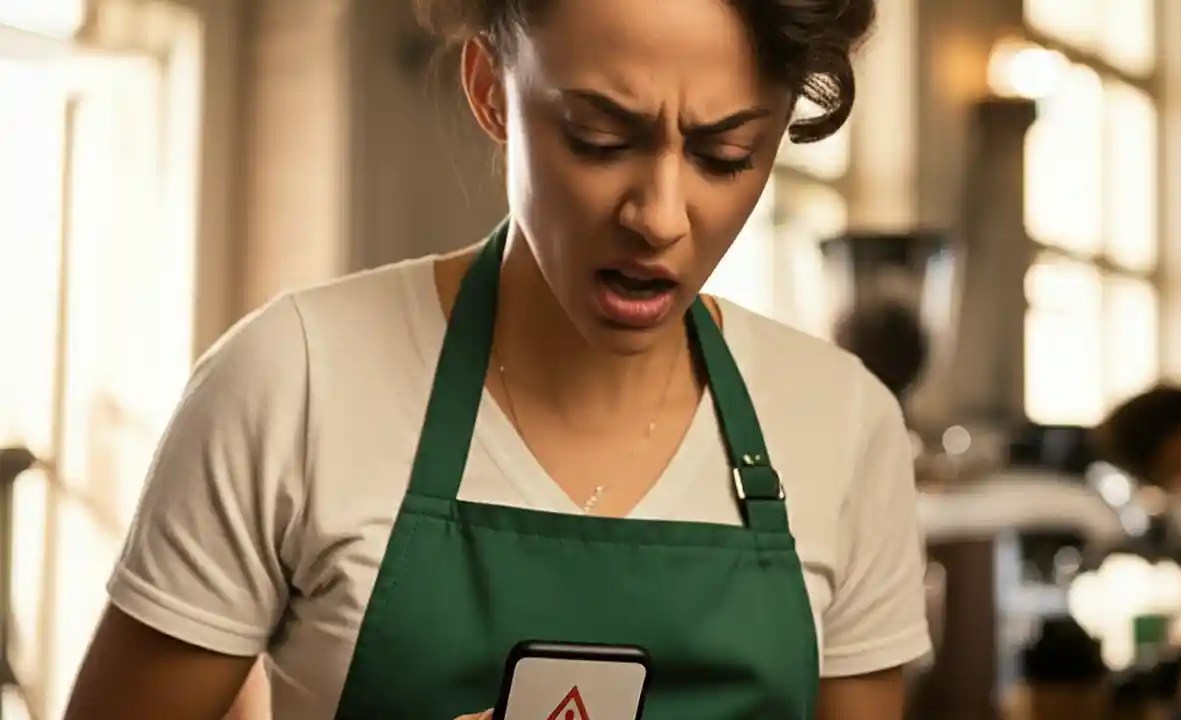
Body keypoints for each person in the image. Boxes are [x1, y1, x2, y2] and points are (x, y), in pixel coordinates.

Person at [65, 0, 931, 717]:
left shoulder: (844, 426)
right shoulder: (291, 380)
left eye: (726, 154)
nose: (660, 216)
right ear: (489, 91)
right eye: (598, 137)